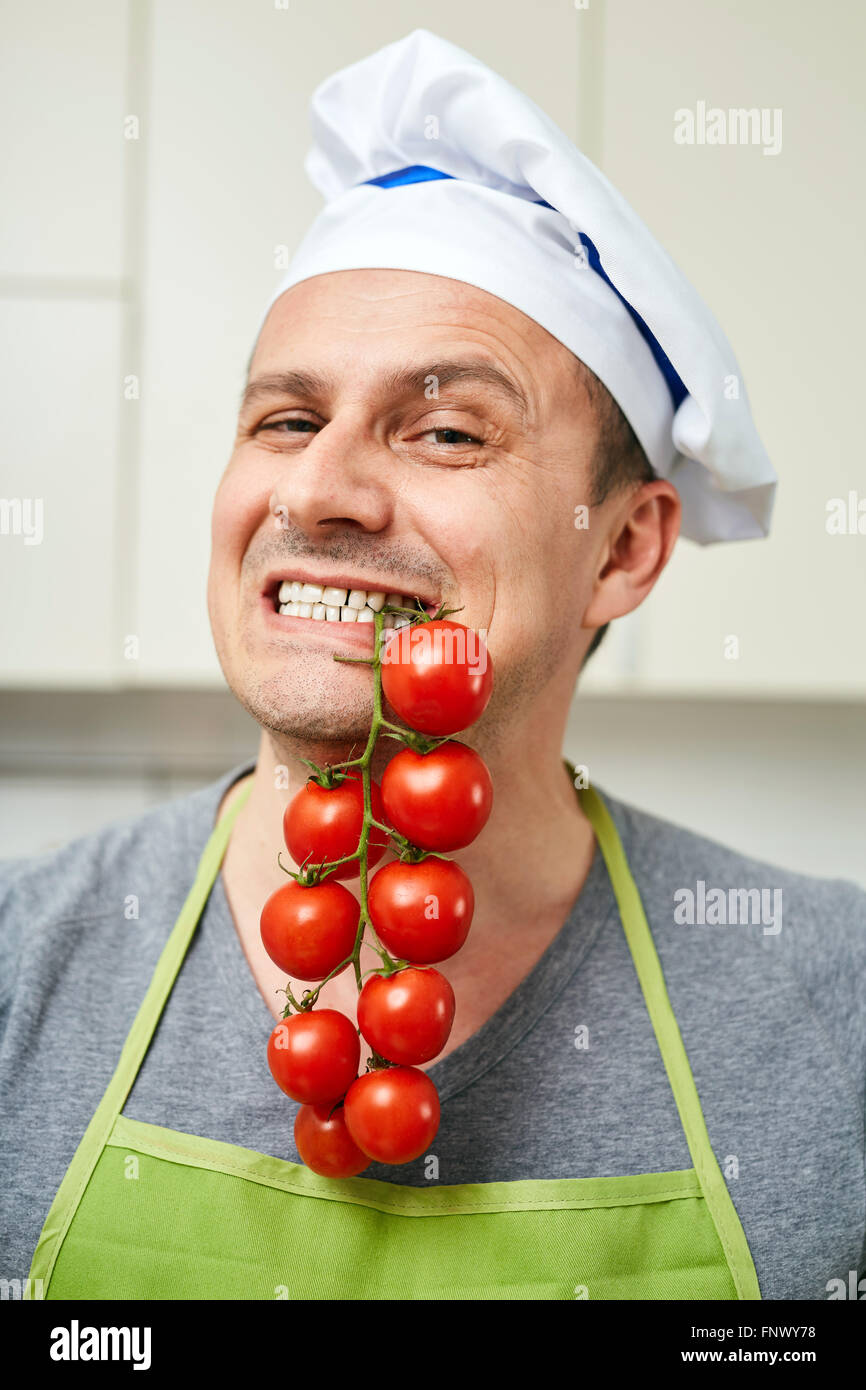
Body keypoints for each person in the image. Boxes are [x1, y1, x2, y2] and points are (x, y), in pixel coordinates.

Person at [2, 29, 864, 1302]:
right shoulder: (20, 966)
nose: (320, 485)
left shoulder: (833, 1011)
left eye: (446, 430)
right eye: (286, 418)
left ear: (623, 547)